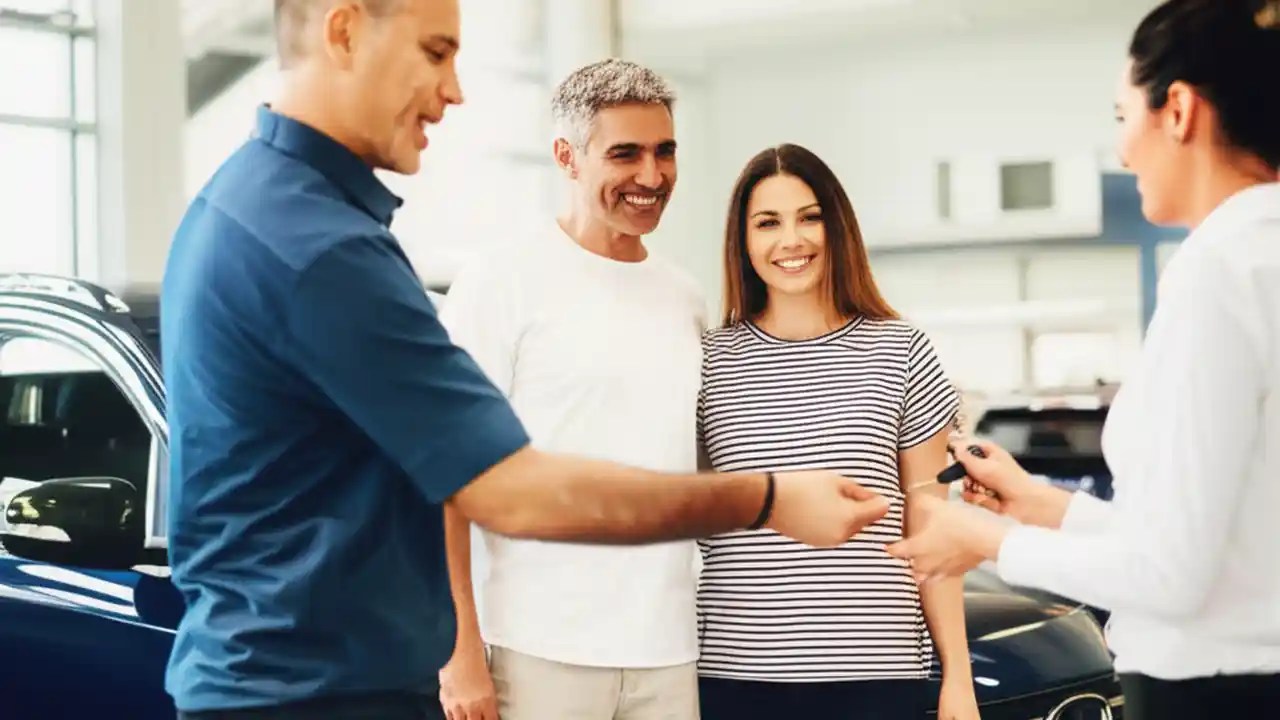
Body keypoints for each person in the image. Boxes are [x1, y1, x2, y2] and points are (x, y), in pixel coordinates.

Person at [159, 1, 893, 719]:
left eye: (665, 150)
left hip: (339, 678)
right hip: (323, 690)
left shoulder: (257, 211)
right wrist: (765, 500)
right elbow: (504, 490)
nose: (455, 90)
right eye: (436, 52)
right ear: (345, 31)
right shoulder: (319, 249)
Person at [886, 1, 1280, 718]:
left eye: (1121, 115)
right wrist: (1046, 509)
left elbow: (1169, 577)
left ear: (1180, 110)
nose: (1123, 151)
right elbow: (1215, 545)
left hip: (1215, 693)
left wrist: (986, 538)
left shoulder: (1218, 273)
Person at [435, 58, 709, 720]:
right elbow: (442, 471)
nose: (652, 176)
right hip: (535, 648)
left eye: (664, 151)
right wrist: (459, 648)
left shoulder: (687, 297)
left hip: (668, 649)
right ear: (568, 157)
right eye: (626, 154)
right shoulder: (501, 281)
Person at [694, 143, 980, 720]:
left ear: (837, 227)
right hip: (736, 674)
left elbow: (933, 528)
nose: (790, 240)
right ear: (743, 241)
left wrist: (958, 678)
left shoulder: (901, 350)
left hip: (877, 671)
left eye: (809, 217)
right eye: (767, 223)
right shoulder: (707, 361)